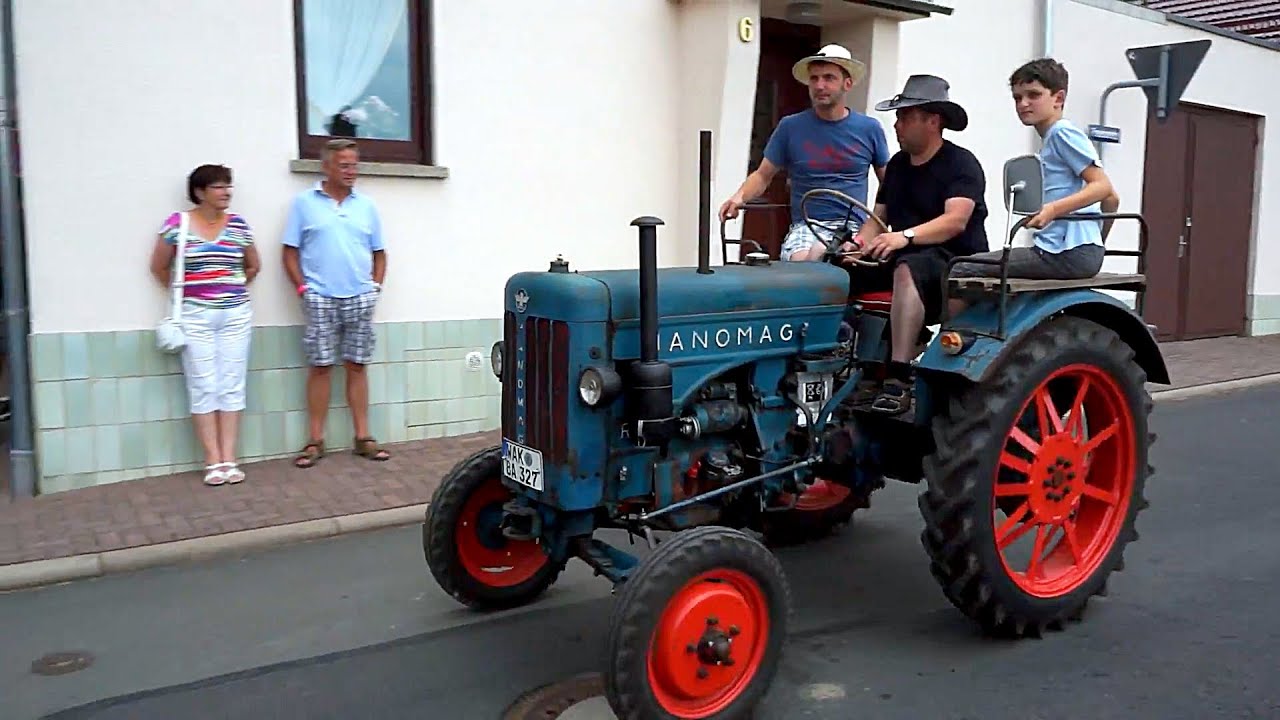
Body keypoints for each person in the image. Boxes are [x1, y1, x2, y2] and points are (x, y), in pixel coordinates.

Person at [843, 75, 988, 415]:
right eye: (898, 117)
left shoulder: (961, 164)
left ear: (933, 121)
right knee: (837, 270)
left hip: (956, 261)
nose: (896, 125)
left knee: (908, 269)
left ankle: (897, 376)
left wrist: (904, 236)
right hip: (905, 252)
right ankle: (850, 365)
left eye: (905, 117)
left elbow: (955, 221)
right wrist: (858, 243)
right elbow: (878, 218)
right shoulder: (897, 165)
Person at [950, 58, 1118, 283]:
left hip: (1062, 252)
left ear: (1058, 98)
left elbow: (1102, 186)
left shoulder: (1061, 133)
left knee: (960, 268)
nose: (1023, 104)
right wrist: (1096, 242)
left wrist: (1052, 210)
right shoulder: (1053, 138)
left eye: (1034, 95)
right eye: (1017, 98)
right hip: (1077, 251)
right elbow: (1112, 199)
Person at [719, 44, 890, 261]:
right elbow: (763, 175)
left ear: (847, 84)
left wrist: (879, 227)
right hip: (806, 226)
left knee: (828, 258)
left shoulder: (869, 129)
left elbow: (889, 183)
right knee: (804, 261)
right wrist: (738, 197)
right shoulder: (790, 127)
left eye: (829, 78)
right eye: (814, 79)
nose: (820, 85)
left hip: (854, 228)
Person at [149, 164, 260, 486]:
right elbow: (158, 267)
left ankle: (229, 458)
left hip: (235, 315)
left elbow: (253, 265)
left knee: (232, 384)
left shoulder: (238, 225)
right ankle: (212, 460)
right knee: (204, 385)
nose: (226, 192)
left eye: (228, 186)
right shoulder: (178, 224)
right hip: (195, 317)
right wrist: (189, 295)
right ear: (200, 192)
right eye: (218, 187)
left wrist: (230, 288)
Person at [283, 138, 390, 468]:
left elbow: (379, 253)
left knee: (357, 366)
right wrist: (303, 289)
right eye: (344, 165)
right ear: (326, 167)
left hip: (360, 297)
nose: (351, 171)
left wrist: (374, 288)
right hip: (320, 297)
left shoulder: (366, 206)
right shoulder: (304, 204)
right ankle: (315, 440)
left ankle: (363, 437)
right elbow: (289, 252)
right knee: (321, 367)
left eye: (354, 165)